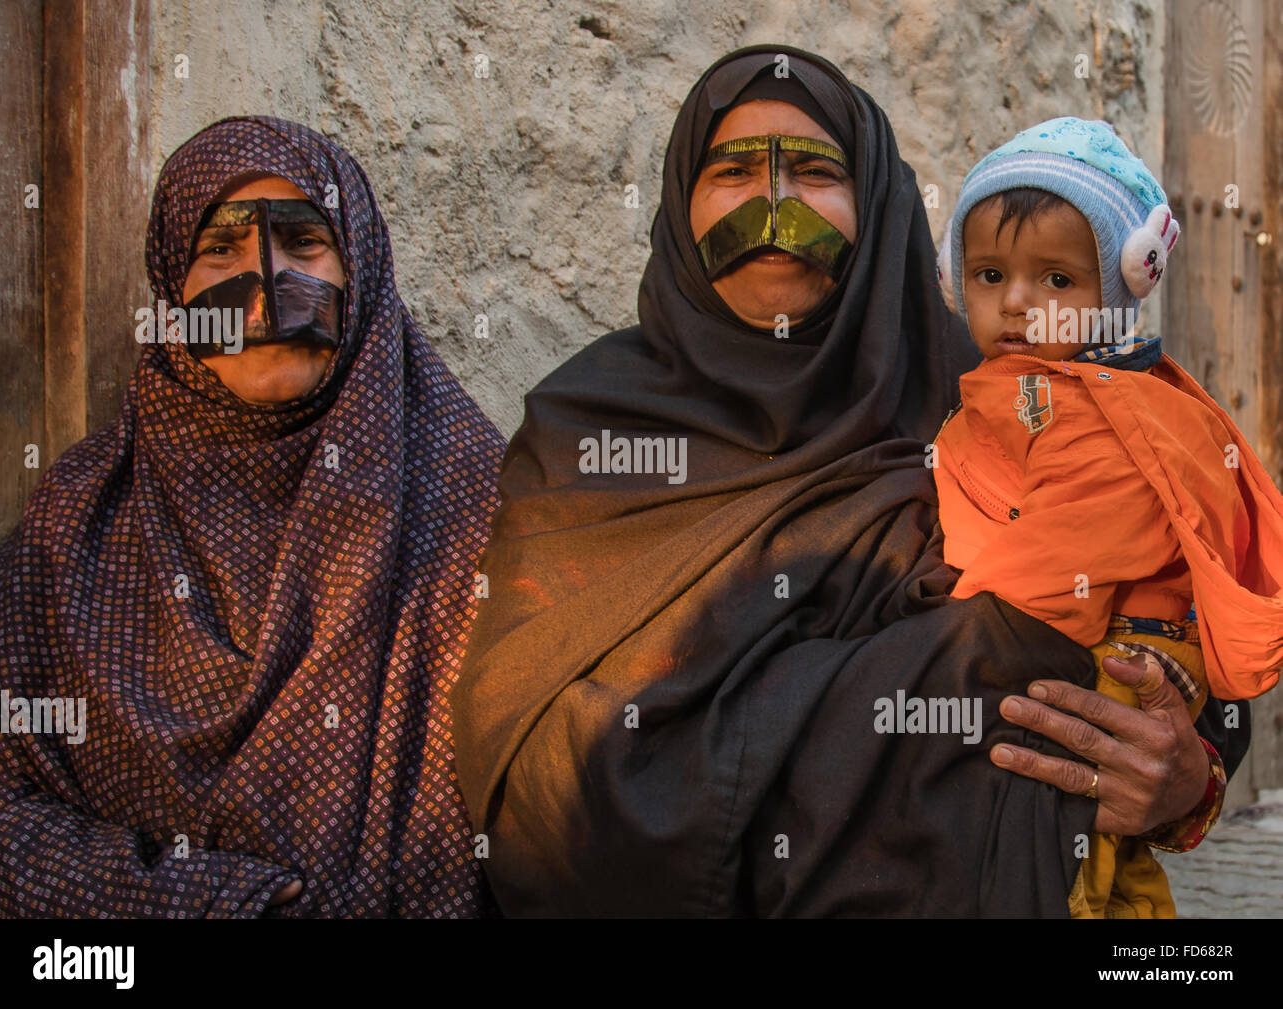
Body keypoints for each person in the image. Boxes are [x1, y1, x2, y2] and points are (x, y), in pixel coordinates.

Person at [450, 46, 1243, 917]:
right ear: (682, 201)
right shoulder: (587, 431)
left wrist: (1182, 776)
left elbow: (1193, 610)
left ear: (877, 202)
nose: (775, 205)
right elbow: (524, 730)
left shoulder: (1000, 394)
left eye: (816, 173)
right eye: (735, 170)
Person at [0, 116, 505, 917]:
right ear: (172, 284)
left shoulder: (469, 496)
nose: (267, 284)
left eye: (303, 243)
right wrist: (188, 901)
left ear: (360, 265)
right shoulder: (78, 526)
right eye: (220, 251)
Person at [932, 116, 1283, 917]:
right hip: (1089, 642)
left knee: (1062, 843)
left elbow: (1076, 544)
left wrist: (958, 628)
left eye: (1057, 281)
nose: (1018, 302)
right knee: (1098, 859)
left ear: (1119, 288)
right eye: (988, 274)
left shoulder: (1100, 404)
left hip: (1118, 653)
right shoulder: (1027, 384)